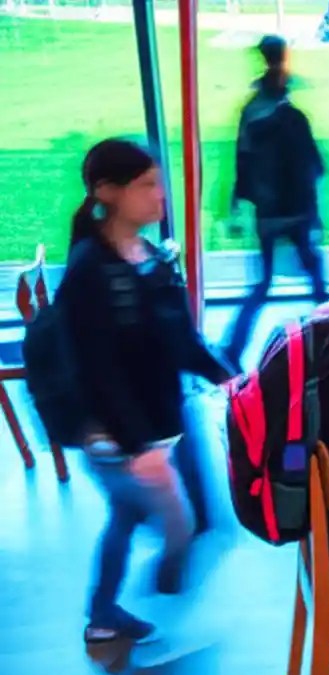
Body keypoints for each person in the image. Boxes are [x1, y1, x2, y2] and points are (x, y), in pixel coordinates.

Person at [57, 139, 234, 644]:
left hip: (161, 424)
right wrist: (138, 448)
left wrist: (228, 376)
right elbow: (95, 371)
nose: (161, 197)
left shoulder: (150, 258)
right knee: (176, 525)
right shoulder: (90, 271)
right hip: (123, 437)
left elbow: (180, 339)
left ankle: (106, 611)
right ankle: (124, 602)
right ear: (107, 192)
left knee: (149, 518)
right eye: (147, 186)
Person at [222, 34, 327, 372]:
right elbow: (311, 166)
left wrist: (239, 199)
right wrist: (314, 215)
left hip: (269, 210)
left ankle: (233, 348)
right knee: (314, 273)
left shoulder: (252, 112)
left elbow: (243, 159)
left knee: (265, 282)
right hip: (293, 207)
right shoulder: (291, 116)